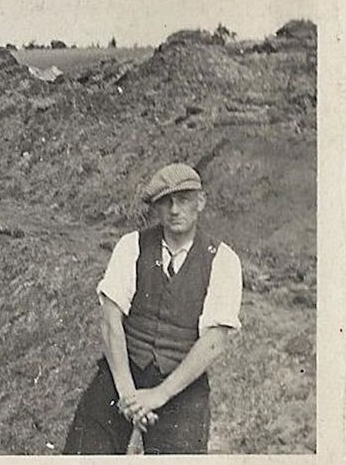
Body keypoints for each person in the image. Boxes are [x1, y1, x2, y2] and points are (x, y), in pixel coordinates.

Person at [62, 163, 242, 455]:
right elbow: (110, 321)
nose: (174, 209)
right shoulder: (131, 246)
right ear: (156, 208)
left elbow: (214, 341)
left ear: (201, 202)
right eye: (165, 201)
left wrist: (159, 395)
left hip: (180, 386)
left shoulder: (223, 260)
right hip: (123, 375)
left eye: (183, 199)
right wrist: (127, 394)